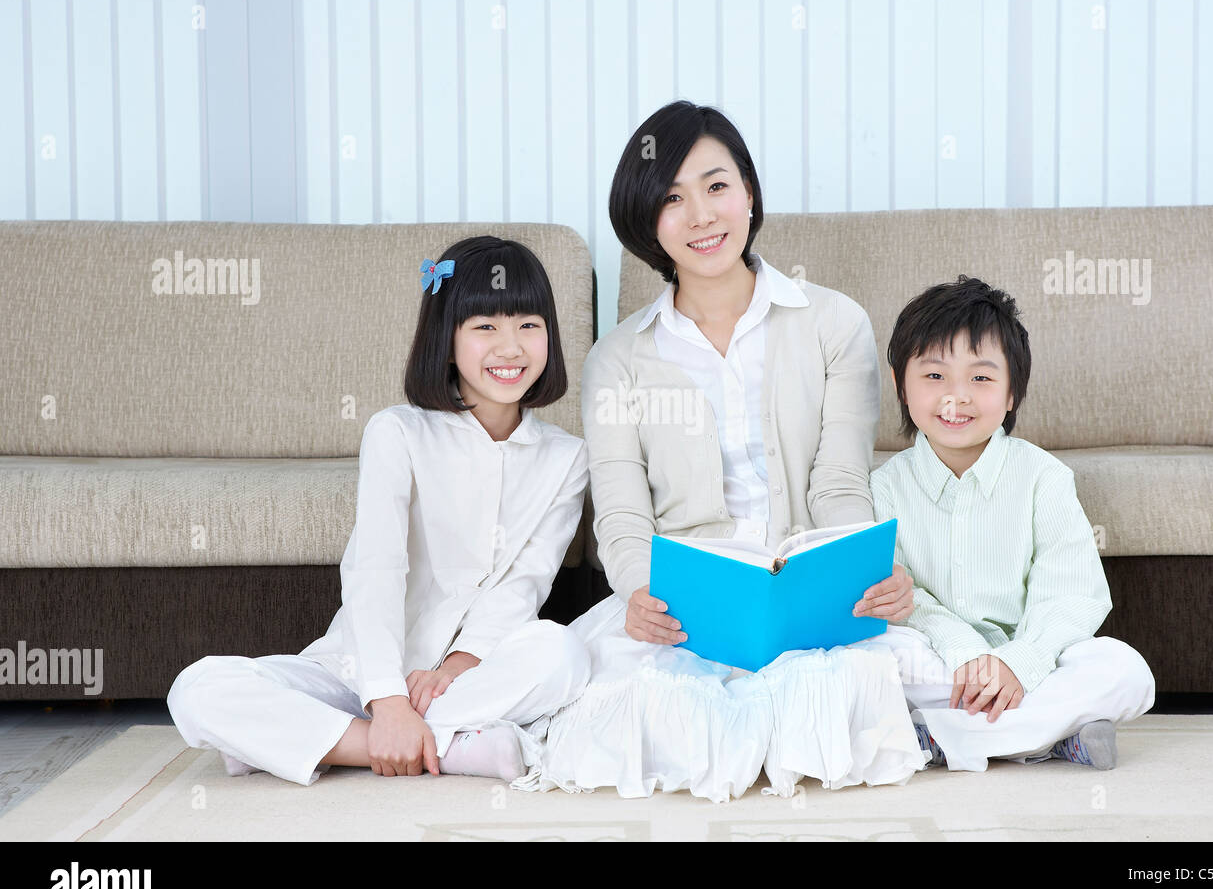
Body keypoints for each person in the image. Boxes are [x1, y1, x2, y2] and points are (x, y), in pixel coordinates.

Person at [515, 101, 926, 803]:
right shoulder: (618, 359)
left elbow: (840, 482)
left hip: (800, 577)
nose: (702, 215)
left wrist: (867, 566)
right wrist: (639, 590)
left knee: (911, 675)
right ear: (647, 221)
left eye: (715, 186)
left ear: (749, 192)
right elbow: (620, 511)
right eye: (672, 199)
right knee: (616, 708)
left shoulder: (834, 322)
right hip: (687, 594)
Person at [168, 236, 591, 786]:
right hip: (356, 672)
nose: (509, 347)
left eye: (528, 325)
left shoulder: (566, 457)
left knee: (564, 654)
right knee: (199, 689)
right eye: (485, 326)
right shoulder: (398, 431)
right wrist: (387, 699)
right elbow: (376, 568)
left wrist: (462, 663)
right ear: (446, 340)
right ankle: (447, 747)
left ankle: (326, 741)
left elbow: (526, 584)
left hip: (464, 680)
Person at [866, 275, 1156, 772]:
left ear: (1011, 394)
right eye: (934, 376)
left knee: (1124, 669)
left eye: (980, 379)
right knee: (880, 654)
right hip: (940, 661)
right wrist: (963, 652)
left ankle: (940, 739)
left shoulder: (1044, 477)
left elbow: (1072, 592)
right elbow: (900, 598)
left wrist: (1017, 662)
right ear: (900, 386)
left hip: (1033, 662)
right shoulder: (882, 487)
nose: (955, 398)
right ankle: (1050, 738)